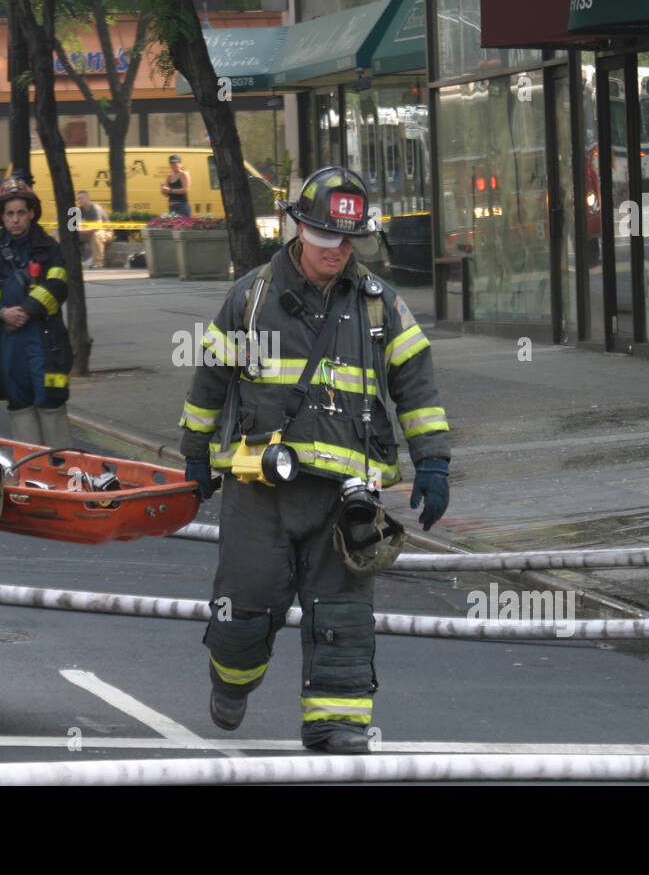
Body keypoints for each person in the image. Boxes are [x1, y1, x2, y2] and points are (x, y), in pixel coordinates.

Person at [177, 166, 451, 753]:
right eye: (328, 238)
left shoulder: (379, 306)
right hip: (259, 494)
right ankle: (232, 681)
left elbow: (418, 386)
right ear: (299, 230)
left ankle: (337, 724)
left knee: (343, 618)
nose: (339, 251)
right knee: (245, 611)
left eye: (349, 240)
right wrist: (195, 454)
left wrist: (434, 460)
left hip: (343, 499)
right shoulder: (250, 299)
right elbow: (209, 382)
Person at [0, 186, 73, 447]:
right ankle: (32, 475)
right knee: (18, 401)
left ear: (32, 214)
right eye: (10, 214)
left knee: (49, 398)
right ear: (2, 216)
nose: (15, 219)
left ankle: (61, 468)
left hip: (42, 338)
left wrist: (26, 310)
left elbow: (59, 284)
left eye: (21, 212)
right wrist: (1, 312)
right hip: (7, 339)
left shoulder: (48, 247)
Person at [76, 190, 113, 268]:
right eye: (78, 199)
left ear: (87, 198)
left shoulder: (95, 208)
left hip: (106, 233)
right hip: (88, 232)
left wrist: (80, 231)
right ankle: (74, 261)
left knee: (96, 235)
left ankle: (98, 263)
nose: (79, 201)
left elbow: (98, 227)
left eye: (81, 198)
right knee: (70, 236)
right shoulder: (80, 210)